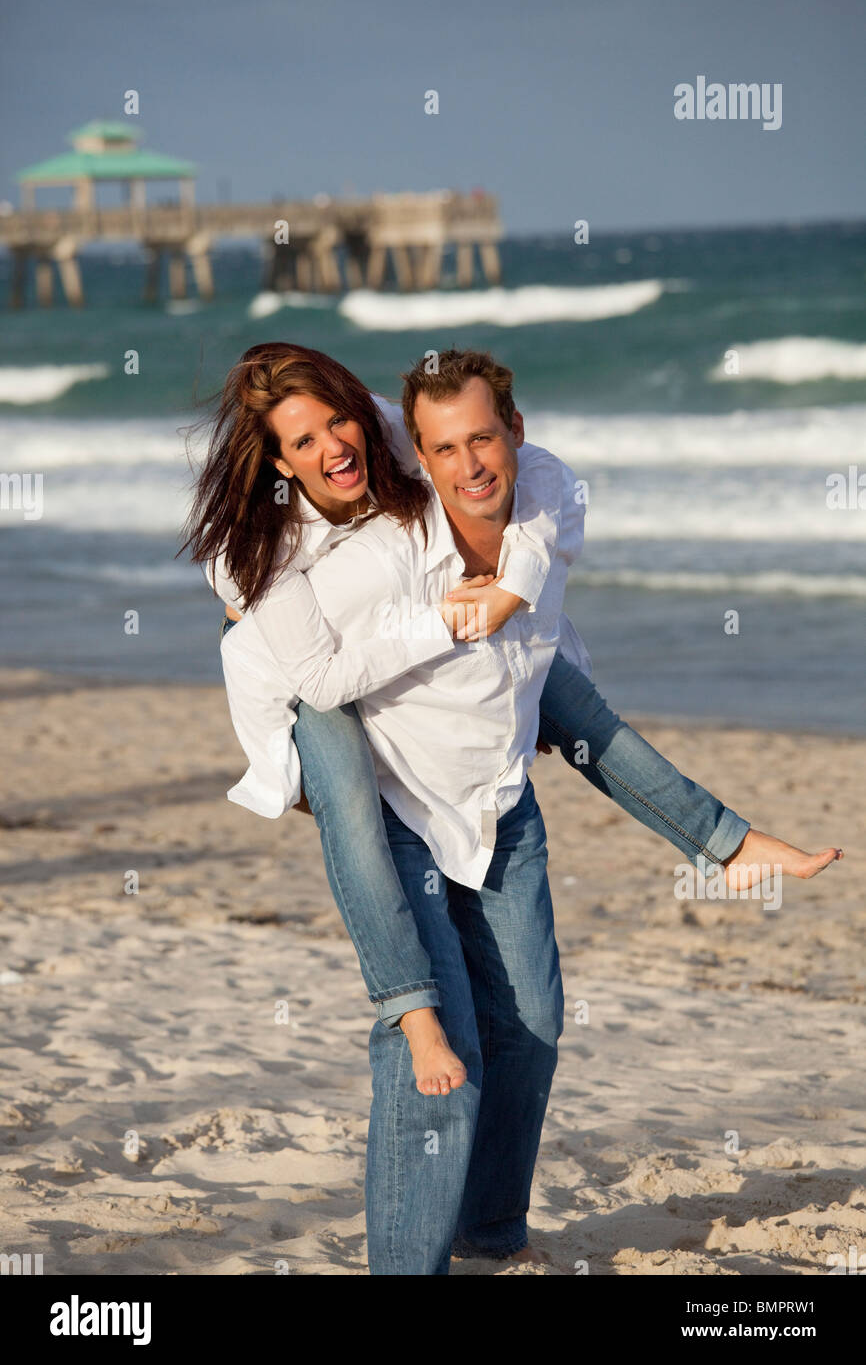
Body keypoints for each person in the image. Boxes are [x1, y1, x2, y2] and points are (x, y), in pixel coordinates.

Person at [207, 347, 841, 1273]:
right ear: (414, 459)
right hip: (374, 775)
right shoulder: (363, 551)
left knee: (533, 1023)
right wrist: (452, 619)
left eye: (483, 439)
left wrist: (512, 587)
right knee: (439, 1051)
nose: (469, 463)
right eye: (445, 449)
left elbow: (547, 525)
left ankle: (490, 1232)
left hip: (496, 798)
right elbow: (303, 661)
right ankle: (407, 1215)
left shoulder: (515, 487)